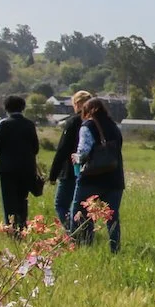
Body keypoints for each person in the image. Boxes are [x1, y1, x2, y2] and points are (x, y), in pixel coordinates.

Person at [71, 97, 125, 251]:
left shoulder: (88, 126)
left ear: (86, 111)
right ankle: (115, 249)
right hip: (114, 179)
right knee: (111, 217)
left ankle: (81, 246)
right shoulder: (114, 126)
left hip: (92, 179)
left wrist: (76, 157)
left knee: (80, 214)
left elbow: (84, 152)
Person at [0, 95, 45, 234]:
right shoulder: (29, 124)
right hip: (26, 168)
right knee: (22, 200)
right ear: (23, 107)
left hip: (7, 169)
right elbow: (35, 148)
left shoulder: (4, 124)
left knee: (9, 201)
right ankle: (22, 227)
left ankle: (11, 229)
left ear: (6, 108)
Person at [48, 91, 91, 233]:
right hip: (91, 171)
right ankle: (86, 233)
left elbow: (63, 149)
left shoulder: (73, 122)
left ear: (77, 104)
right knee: (84, 206)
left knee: (61, 204)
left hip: (70, 171)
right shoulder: (94, 122)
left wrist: (53, 174)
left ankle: (72, 231)